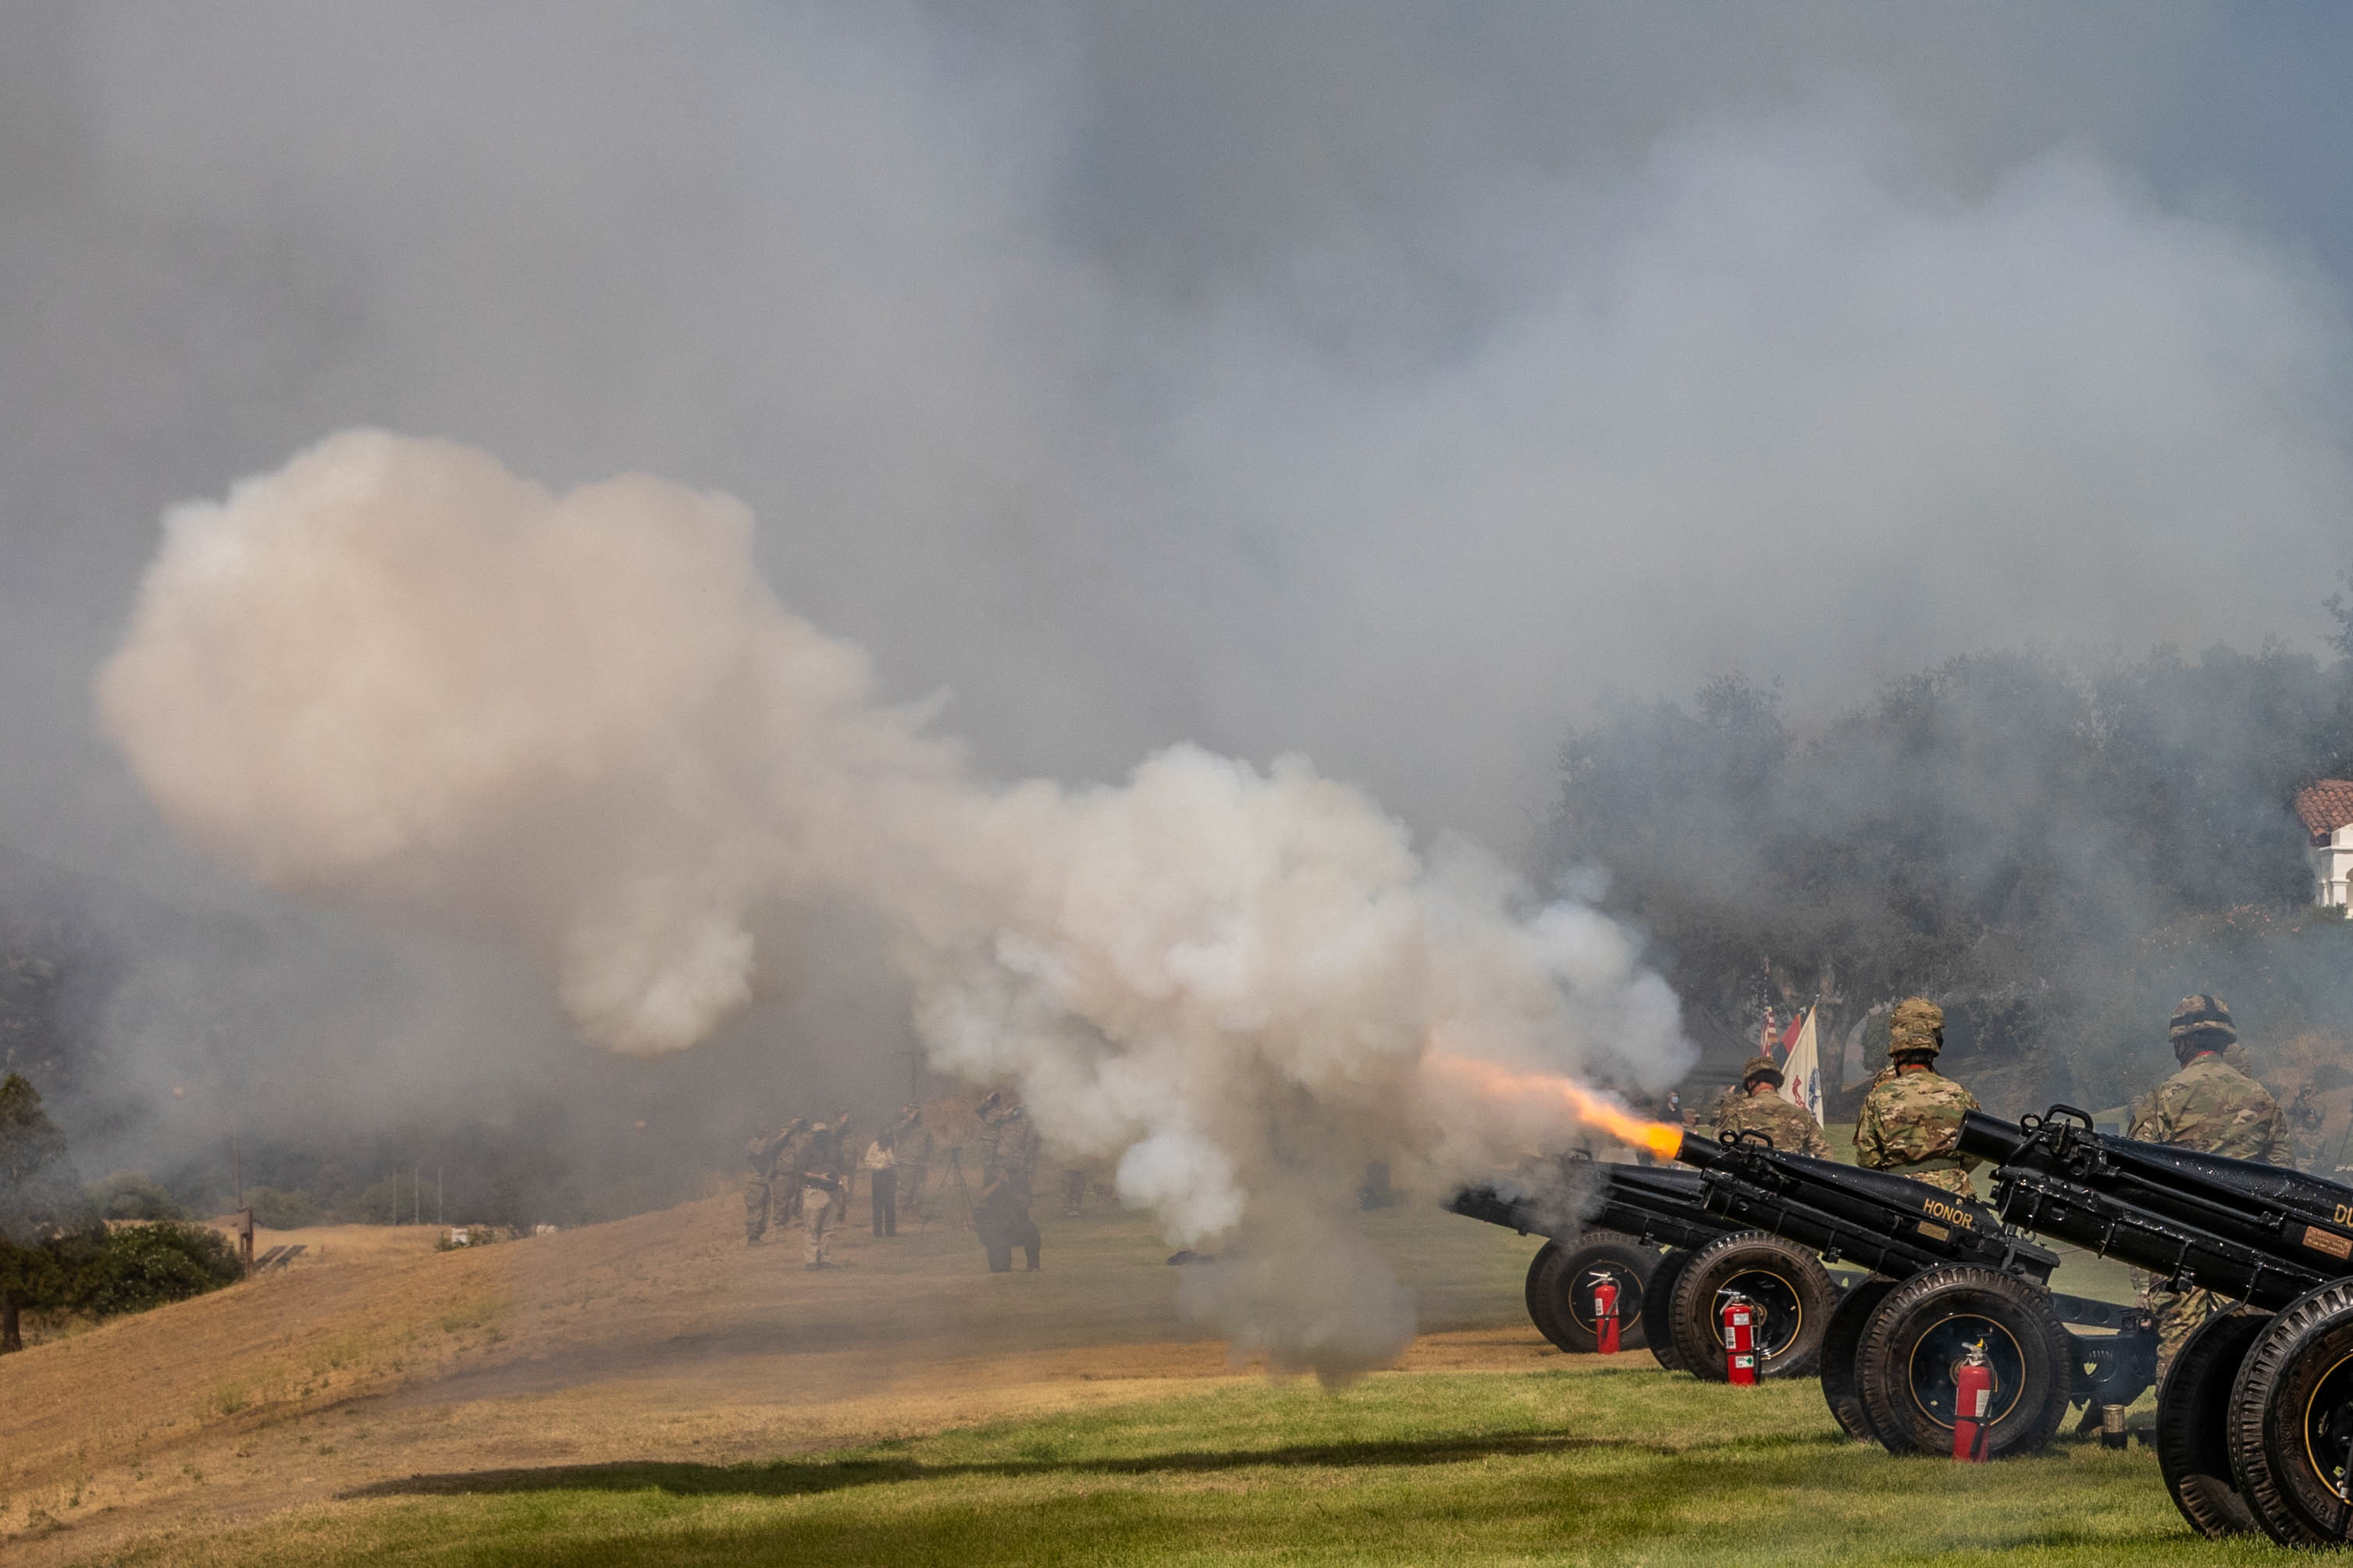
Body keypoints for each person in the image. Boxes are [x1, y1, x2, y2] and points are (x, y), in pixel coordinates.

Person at [2129, 994, 2289, 1378]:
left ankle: (2178, 1431)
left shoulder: (2161, 1099)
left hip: (2177, 1248)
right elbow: (2285, 1181)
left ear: (2182, 1043)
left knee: (2179, 1350)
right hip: (2245, 1250)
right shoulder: (2264, 1101)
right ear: (2224, 1043)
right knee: (2248, 1350)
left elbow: (2134, 1181)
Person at [1853, 997, 1983, 1197]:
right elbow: (1977, 1146)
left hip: (1900, 1195)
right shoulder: (1959, 1092)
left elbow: (1867, 1159)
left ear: (1896, 1056)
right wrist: (1949, 1172)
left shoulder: (1879, 1097)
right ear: (1932, 1054)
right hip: (1954, 1196)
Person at [973, 1090, 1042, 1272]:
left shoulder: (1025, 1124)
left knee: (1031, 1232)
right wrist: (993, 1103)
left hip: (1015, 1173)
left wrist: (1016, 1177)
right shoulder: (995, 1120)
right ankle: (999, 1254)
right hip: (996, 1220)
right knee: (999, 1266)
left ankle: (1033, 1264)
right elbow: (980, 1112)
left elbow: (1032, 1147)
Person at [1714, 1054, 1834, 1158]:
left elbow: (1723, 1145)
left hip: (1748, 1179)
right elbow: (1825, 1153)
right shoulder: (1802, 1114)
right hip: (1788, 1180)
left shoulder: (1737, 1108)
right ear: (1777, 1083)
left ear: (1750, 1083)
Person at [799, 1116, 849, 1270]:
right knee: (812, 1227)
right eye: (818, 1134)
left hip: (833, 1192)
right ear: (814, 1135)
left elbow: (843, 1169)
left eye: (824, 1133)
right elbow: (801, 1171)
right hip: (814, 1191)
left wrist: (845, 1186)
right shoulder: (807, 1150)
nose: (822, 1136)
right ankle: (811, 1261)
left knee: (828, 1229)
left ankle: (825, 1259)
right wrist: (818, 1177)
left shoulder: (835, 1149)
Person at [742, 1121, 796, 1246]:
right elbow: (761, 1151)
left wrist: (783, 1137)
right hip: (754, 1182)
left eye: (766, 1128)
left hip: (763, 1182)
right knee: (755, 1209)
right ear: (756, 1130)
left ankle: (757, 1236)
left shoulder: (766, 1142)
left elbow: (773, 1148)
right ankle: (752, 1238)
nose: (766, 1130)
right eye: (763, 1128)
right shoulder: (753, 1143)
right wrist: (777, 1137)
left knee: (764, 1209)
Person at [892, 1105, 933, 1221]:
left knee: (920, 1189)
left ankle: (916, 1213)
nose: (917, 1116)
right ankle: (905, 1213)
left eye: (918, 1113)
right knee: (906, 1189)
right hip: (907, 1162)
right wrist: (909, 1119)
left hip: (922, 1163)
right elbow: (896, 1131)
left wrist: (929, 1160)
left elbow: (930, 1145)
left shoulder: (925, 1128)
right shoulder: (903, 1126)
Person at [863, 1125, 899, 1237]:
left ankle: (891, 1232)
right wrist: (881, 1167)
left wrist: (897, 1179)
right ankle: (877, 1232)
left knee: (890, 1205)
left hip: (891, 1177)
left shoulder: (893, 1146)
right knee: (878, 1205)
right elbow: (868, 1162)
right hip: (878, 1177)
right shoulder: (874, 1146)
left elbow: (896, 1164)